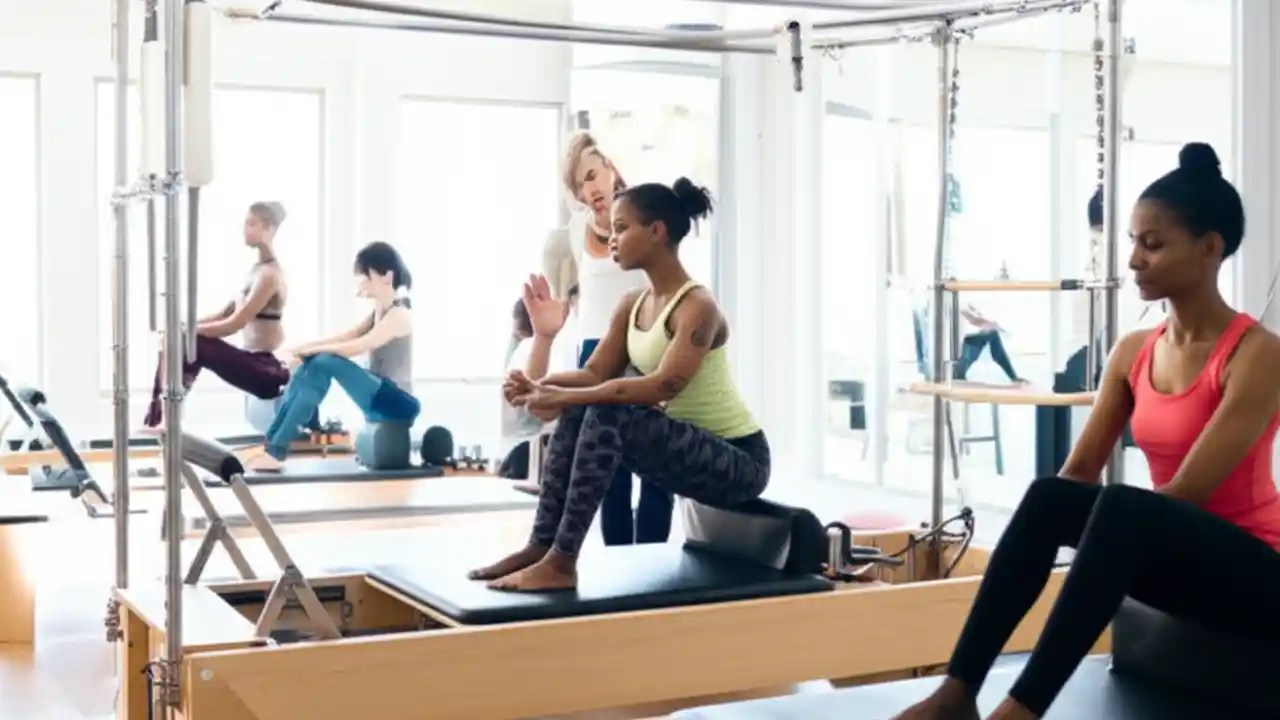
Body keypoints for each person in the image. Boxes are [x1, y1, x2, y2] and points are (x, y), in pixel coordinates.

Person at [892, 142, 1280, 720]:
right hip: (1176, 558)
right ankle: (959, 689)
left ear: (1209, 248)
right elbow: (1077, 480)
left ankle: (1022, 708)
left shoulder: (1257, 354)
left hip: (1256, 577)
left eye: (1153, 245)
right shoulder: (1132, 352)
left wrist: (1110, 533)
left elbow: (1185, 500)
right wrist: (1069, 522)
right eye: (1132, 242)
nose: (1133, 261)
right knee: (1052, 494)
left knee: (1128, 509)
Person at [470, 177, 770, 592]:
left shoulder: (698, 307)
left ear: (657, 232)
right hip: (686, 449)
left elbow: (660, 387)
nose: (611, 238)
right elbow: (594, 375)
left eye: (622, 227)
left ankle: (562, 560)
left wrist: (565, 395)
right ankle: (542, 546)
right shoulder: (632, 303)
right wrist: (538, 385)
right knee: (587, 404)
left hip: (739, 463)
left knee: (609, 406)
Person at [541, 131, 675, 547]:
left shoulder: (643, 219)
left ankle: (652, 559)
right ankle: (619, 560)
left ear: (612, 170)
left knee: (655, 465)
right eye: (582, 181)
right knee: (606, 469)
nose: (592, 186)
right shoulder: (574, 231)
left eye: (595, 174)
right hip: (595, 353)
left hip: (646, 345)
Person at [243, 241, 420, 472]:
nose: (361, 281)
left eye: (365, 275)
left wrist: (306, 353)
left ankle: (282, 445)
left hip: (397, 401)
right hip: (379, 395)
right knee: (317, 361)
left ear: (387, 276)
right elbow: (343, 336)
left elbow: (357, 346)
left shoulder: (399, 315)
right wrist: (298, 349)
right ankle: (277, 443)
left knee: (323, 361)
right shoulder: (378, 312)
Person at [143, 201, 291, 428]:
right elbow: (222, 315)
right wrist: (180, 326)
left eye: (252, 224)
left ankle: (161, 417)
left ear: (269, 229)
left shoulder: (270, 276)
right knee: (179, 339)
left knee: (191, 340)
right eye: (246, 222)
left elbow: (234, 324)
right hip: (252, 362)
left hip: (267, 370)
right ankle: (162, 415)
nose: (245, 228)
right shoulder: (255, 272)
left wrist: (187, 332)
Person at [496, 281, 577, 478]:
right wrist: (544, 337)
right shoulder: (535, 347)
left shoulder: (526, 348)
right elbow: (534, 402)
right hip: (529, 454)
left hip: (525, 452)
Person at [954, 305, 1027, 385]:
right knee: (991, 334)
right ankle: (1013, 378)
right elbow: (969, 316)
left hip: (971, 339)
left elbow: (975, 317)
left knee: (992, 334)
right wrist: (991, 324)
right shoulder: (960, 305)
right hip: (968, 340)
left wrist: (990, 323)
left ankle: (1014, 378)